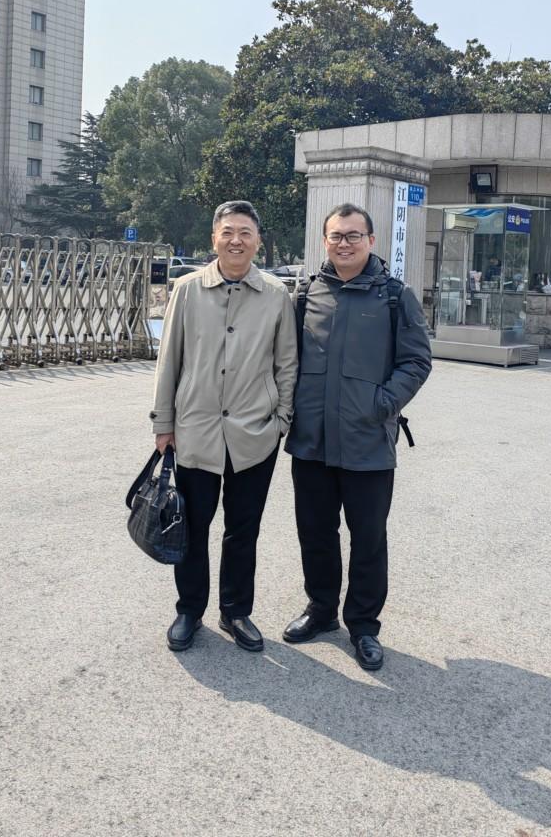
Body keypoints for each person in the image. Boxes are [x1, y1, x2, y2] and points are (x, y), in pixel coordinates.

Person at [284, 203, 432, 671]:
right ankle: (321, 610)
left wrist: (382, 404)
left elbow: (416, 361)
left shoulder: (395, 296)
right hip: (312, 440)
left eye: (353, 235)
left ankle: (364, 626)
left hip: (368, 442)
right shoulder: (307, 294)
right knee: (315, 533)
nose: (344, 243)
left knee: (368, 539)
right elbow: (286, 359)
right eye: (336, 236)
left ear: (371, 240)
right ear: (324, 241)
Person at [151, 201, 298, 653]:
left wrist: (281, 420)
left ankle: (235, 611)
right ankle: (189, 610)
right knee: (191, 526)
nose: (237, 240)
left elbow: (287, 363)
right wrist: (164, 422)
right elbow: (169, 359)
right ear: (214, 238)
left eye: (245, 233)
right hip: (195, 430)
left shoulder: (276, 295)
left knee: (243, 530)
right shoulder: (187, 290)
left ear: (258, 241)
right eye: (228, 232)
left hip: (255, 435)